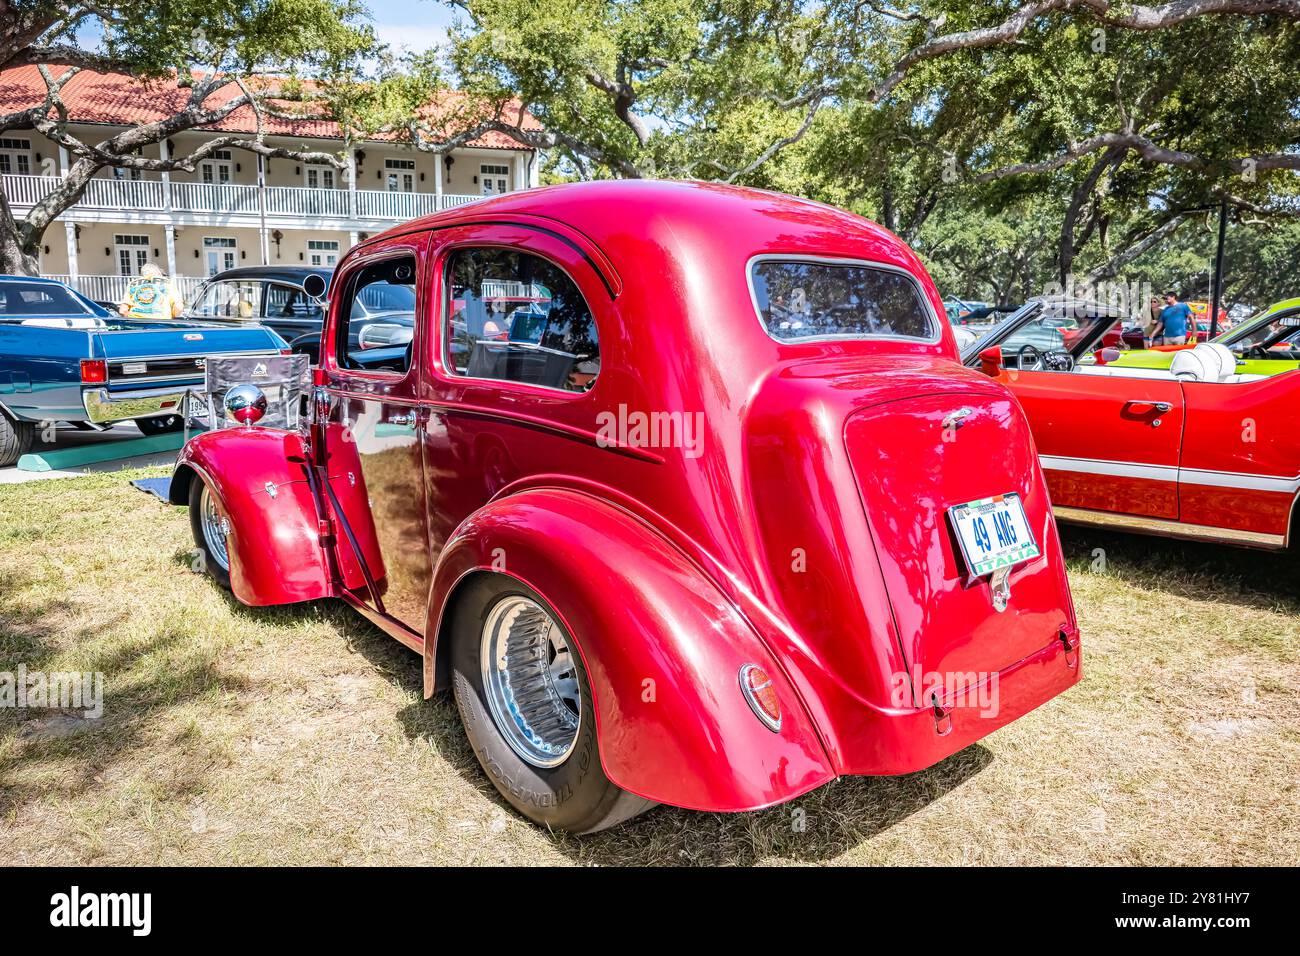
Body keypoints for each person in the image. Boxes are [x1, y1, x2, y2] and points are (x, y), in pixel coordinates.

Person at [118, 263, 184, 319]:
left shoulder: (132, 284)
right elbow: (179, 307)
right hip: (162, 325)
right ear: (158, 273)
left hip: (136, 325)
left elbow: (123, 310)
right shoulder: (168, 283)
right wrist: (172, 319)